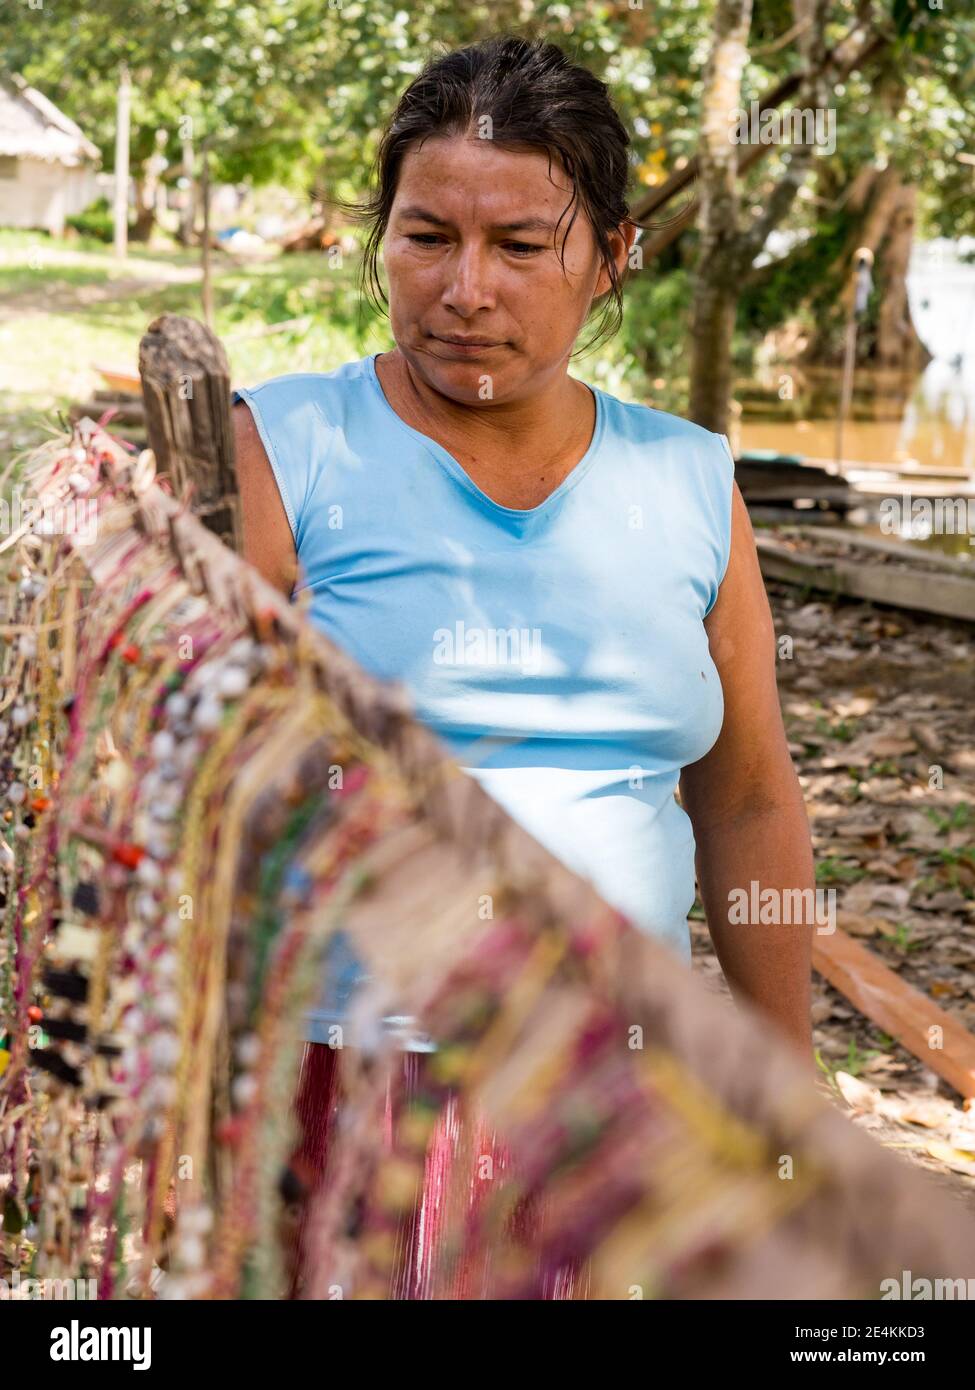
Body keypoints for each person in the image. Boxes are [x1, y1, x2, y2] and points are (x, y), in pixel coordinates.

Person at [231, 35, 815, 1289]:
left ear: (611, 256)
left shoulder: (688, 478)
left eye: (519, 245)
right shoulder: (289, 451)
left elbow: (750, 797)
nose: (465, 288)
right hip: (364, 1082)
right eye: (426, 236)